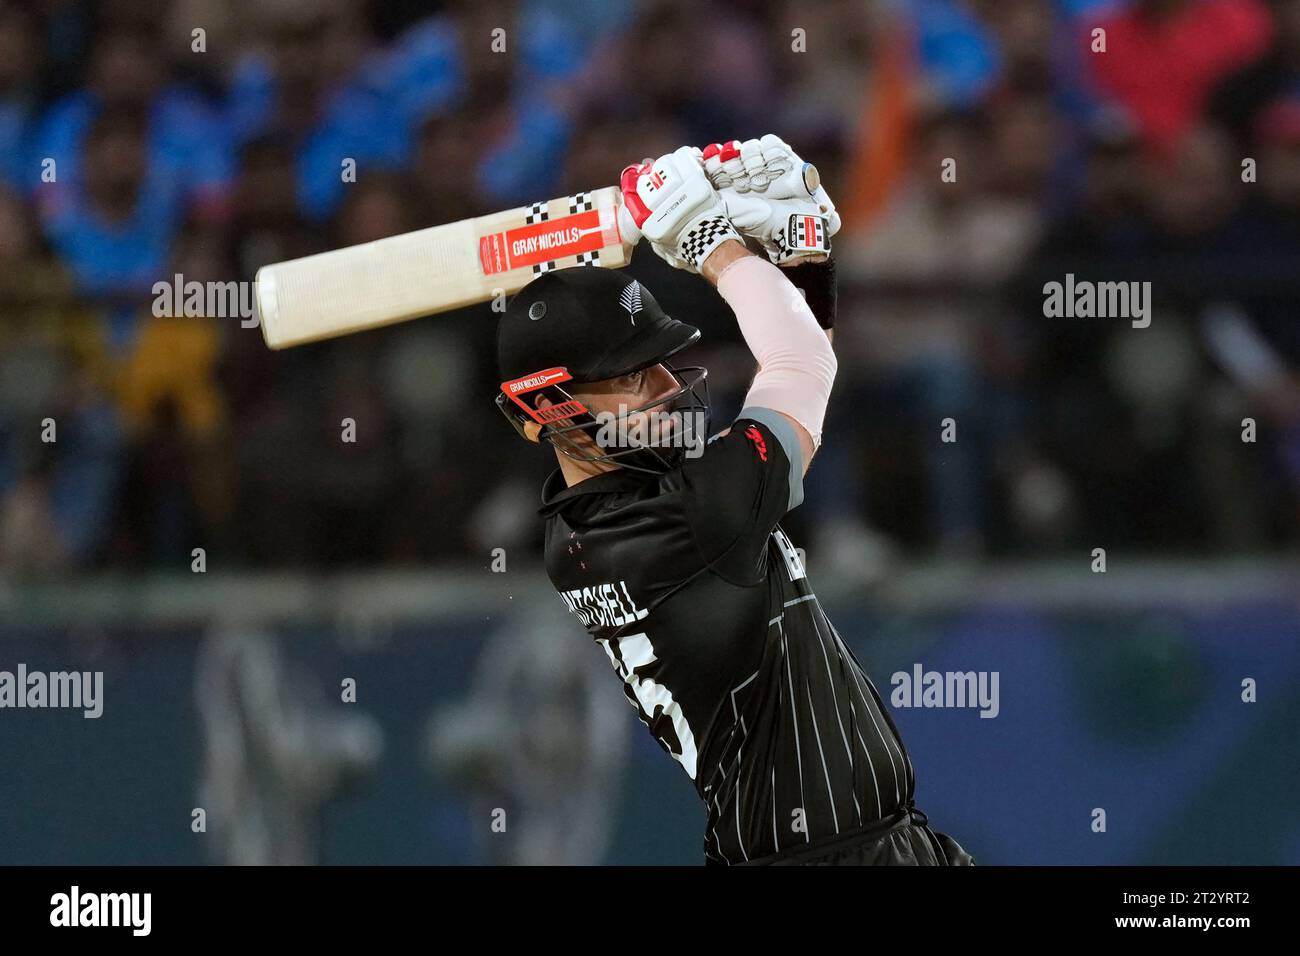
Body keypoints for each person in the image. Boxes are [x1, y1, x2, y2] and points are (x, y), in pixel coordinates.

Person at [494, 137, 974, 865]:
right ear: (545, 412)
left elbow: (802, 368)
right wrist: (715, 249)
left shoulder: (609, 512)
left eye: (657, 363)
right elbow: (801, 366)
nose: (664, 390)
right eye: (628, 377)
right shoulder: (677, 525)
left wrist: (798, 254)